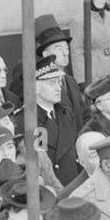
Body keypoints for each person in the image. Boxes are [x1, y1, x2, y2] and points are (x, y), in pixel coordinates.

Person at [31, 54, 81, 187]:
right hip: (54, 188)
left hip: (75, 184)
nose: (58, 88)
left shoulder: (66, 112)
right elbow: (42, 164)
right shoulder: (30, 120)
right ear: (35, 87)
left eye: (59, 82)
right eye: (52, 83)